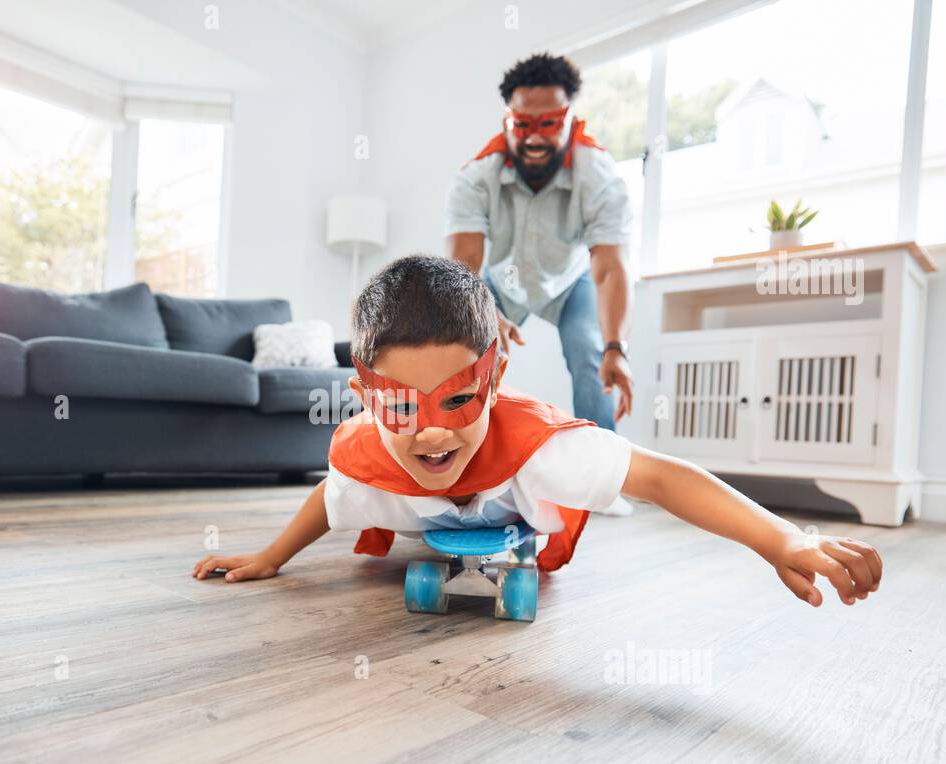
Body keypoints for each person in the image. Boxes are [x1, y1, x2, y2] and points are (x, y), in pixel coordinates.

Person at [192, 254, 882, 612]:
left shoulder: (544, 452)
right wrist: (271, 556)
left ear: (493, 380)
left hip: (518, 498)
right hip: (420, 510)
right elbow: (330, 497)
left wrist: (784, 539)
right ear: (366, 400)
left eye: (458, 398)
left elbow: (664, 477)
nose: (431, 431)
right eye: (402, 407)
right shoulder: (369, 455)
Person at [446, 52, 636, 515]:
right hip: (501, 281)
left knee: (590, 353)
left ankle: (602, 482)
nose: (533, 135)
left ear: (570, 118)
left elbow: (609, 267)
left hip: (571, 282)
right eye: (522, 122)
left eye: (548, 123)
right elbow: (464, 263)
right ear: (508, 118)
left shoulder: (600, 176)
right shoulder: (476, 176)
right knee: (474, 354)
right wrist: (485, 314)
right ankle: (475, 474)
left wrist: (617, 348)